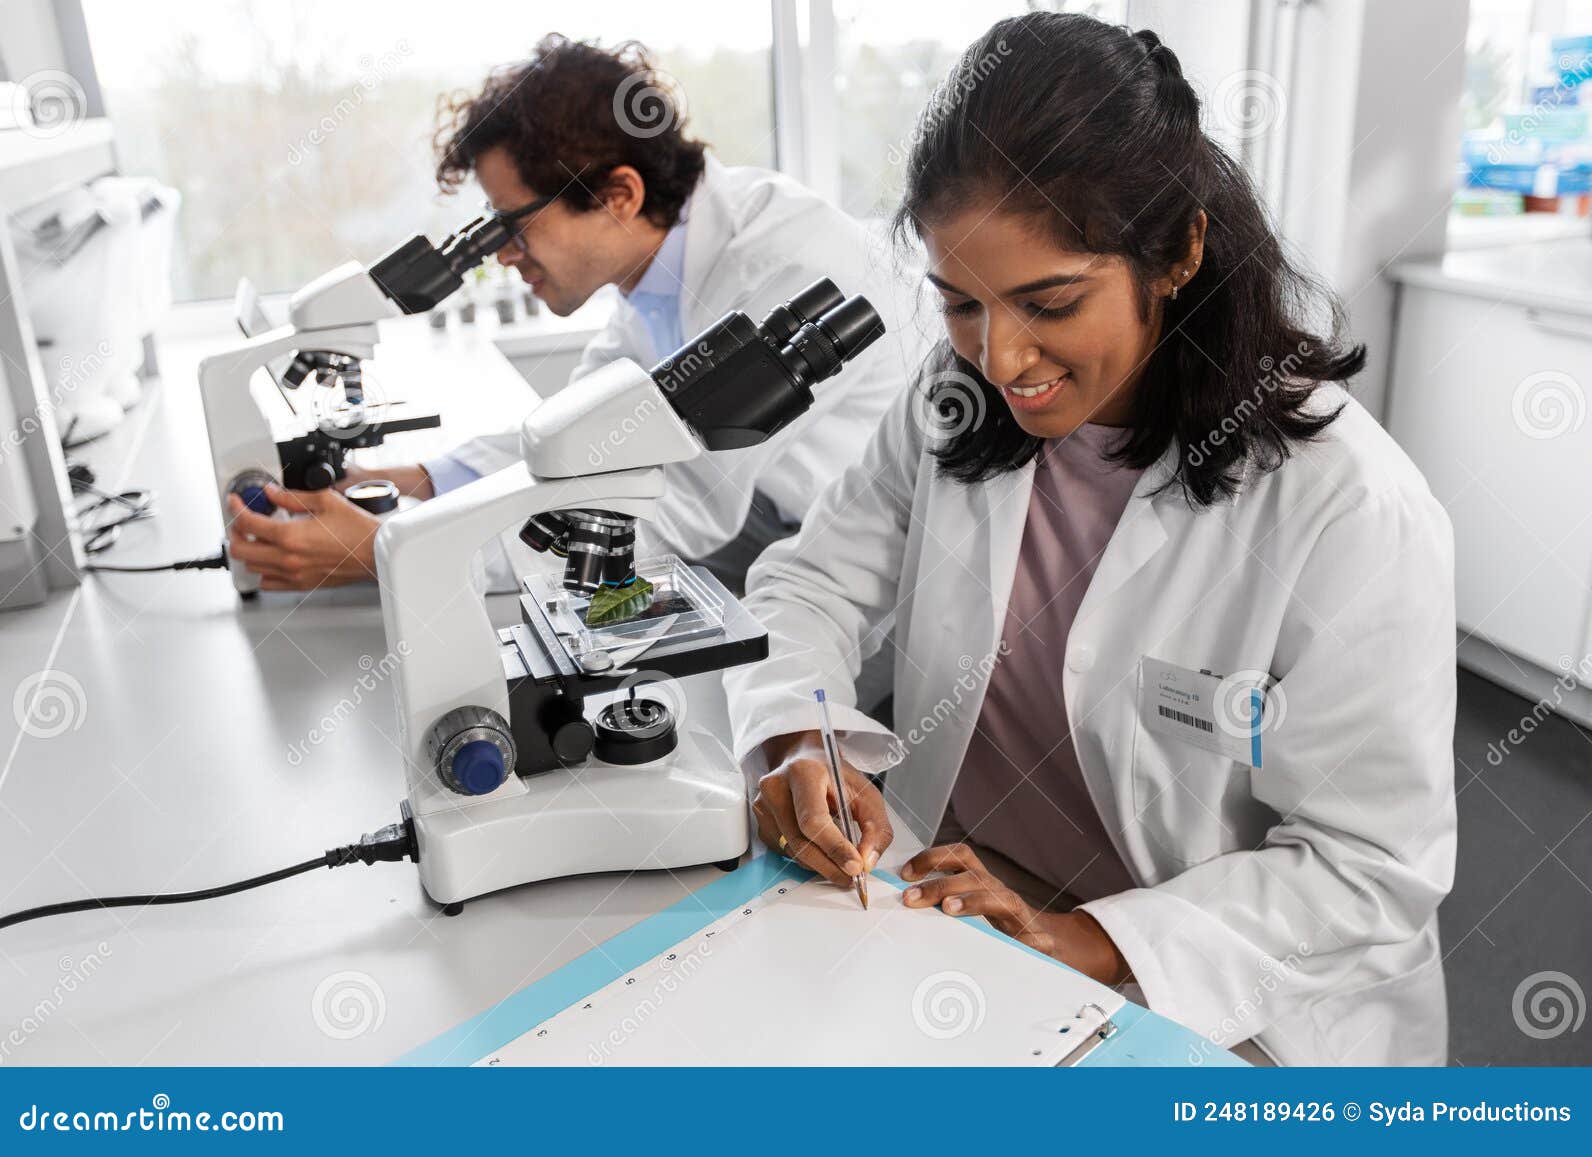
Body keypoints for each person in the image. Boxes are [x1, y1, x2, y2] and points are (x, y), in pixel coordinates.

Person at [724, 12, 1456, 1067]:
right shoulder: (955, 397)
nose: (1000, 355)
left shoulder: (1345, 506)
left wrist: (1094, 939)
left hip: (1212, 992)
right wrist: (801, 732)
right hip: (959, 911)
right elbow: (811, 585)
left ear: (1177, 252)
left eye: (1048, 301)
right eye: (959, 303)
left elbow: (1367, 866)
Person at [226, 34, 922, 594]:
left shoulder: (783, 268)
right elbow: (573, 433)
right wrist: (419, 484)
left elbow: (679, 512)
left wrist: (390, 553)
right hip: (754, 523)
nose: (501, 256)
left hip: (836, 577)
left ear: (618, 193)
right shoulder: (655, 270)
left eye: (513, 226)